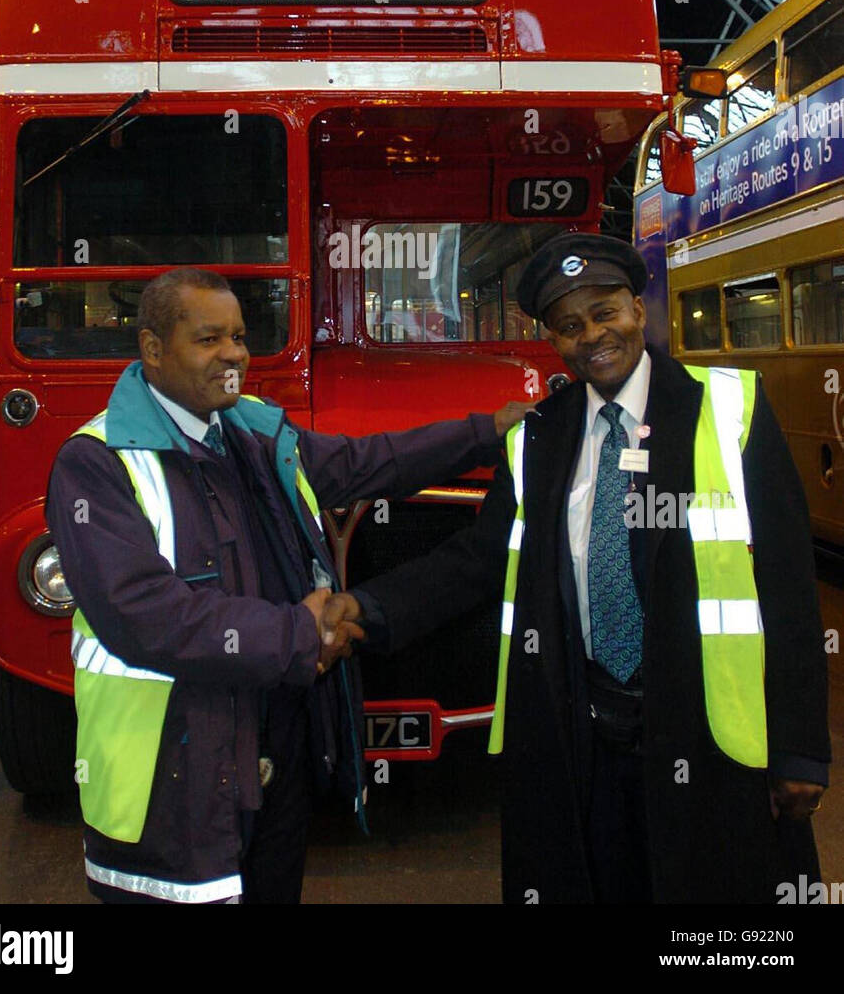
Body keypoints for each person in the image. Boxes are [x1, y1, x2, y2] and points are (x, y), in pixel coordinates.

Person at [325, 232, 830, 904]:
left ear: (637, 309)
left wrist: (799, 750)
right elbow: (475, 561)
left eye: (605, 312)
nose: (592, 335)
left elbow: (790, 587)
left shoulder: (730, 409)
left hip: (709, 734)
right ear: (553, 338)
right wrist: (367, 608)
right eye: (569, 325)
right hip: (584, 732)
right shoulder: (539, 435)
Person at [45, 266, 524, 905]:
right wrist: (301, 633)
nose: (235, 354)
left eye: (240, 337)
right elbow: (144, 614)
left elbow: (363, 464)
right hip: (178, 769)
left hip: (275, 743)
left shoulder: (253, 430)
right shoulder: (97, 462)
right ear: (153, 350)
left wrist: (483, 432)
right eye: (209, 339)